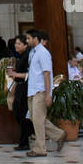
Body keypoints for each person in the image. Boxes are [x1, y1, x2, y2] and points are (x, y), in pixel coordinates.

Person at [23, 29, 66, 157]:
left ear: (36, 39)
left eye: (29, 38)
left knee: (37, 119)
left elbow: (47, 73)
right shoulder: (33, 52)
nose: (27, 41)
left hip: (40, 90)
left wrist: (48, 94)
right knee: (34, 117)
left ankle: (40, 149)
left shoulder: (43, 53)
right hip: (32, 90)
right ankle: (59, 135)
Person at [8, 35, 33, 152]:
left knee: (22, 114)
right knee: (18, 112)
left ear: (25, 45)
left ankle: (24, 141)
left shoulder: (28, 56)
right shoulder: (21, 56)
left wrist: (16, 74)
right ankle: (27, 136)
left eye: (19, 44)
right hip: (20, 87)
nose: (16, 45)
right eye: (16, 43)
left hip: (24, 88)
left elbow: (29, 74)